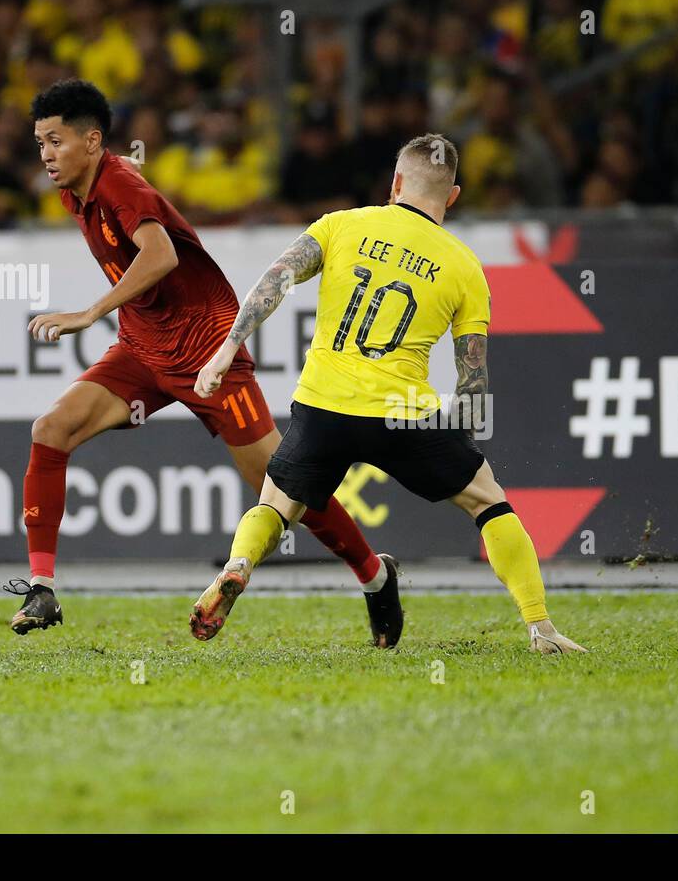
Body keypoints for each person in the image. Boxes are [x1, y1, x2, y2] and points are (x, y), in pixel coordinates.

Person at [12, 79, 403, 647]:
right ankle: (42, 588)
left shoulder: (121, 183)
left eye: (55, 140)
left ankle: (374, 575)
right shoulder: (76, 192)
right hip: (145, 349)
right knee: (51, 429)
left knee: (282, 486)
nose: (45, 154)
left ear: (92, 141)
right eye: (39, 142)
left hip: (207, 352)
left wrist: (90, 312)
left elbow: (161, 254)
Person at [190, 133, 586, 654]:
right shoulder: (464, 265)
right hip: (405, 413)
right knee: (488, 502)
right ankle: (541, 628)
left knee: (277, 502)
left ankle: (238, 565)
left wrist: (227, 348)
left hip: (323, 403)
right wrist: (461, 436)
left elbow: (277, 279)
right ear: (453, 195)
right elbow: (473, 378)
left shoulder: (342, 225)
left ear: (395, 183)